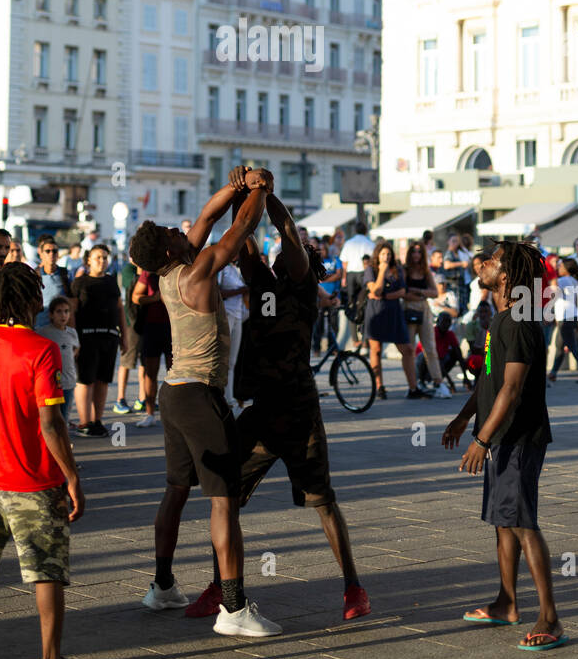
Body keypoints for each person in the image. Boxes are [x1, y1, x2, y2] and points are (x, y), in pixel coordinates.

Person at [186, 174, 370, 623]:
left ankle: (353, 588)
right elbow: (244, 238)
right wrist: (243, 192)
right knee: (225, 495)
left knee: (322, 499)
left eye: (296, 251)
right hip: (262, 408)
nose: (285, 252)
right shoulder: (264, 285)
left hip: (299, 409)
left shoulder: (302, 284)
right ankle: (221, 587)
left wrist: (265, 192)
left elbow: (285, 230)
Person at [130, 170, 282, 637]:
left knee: (177, 489)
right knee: (224, 501)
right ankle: (234, 609)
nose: (183, 229)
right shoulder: (196, 271)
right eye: (175, 233)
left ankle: (161, 587)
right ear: (173, 248)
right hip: (198, 395)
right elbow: (237, 233)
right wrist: (260, 191)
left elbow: (209, 214)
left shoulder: (170, 269)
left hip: (173, 394)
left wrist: (237, 184)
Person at [0, 262, 89, 659]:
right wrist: (72, 476)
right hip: (34, 484)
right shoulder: (42, 349)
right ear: (32, 301)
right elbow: (51, 424)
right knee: (46, 573)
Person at [443, 241, 565, 650]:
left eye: (491, 260)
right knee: (503, 520)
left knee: (522, 522)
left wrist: (480, 438)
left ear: (507, 276)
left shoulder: (520, 322)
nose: (483, 263)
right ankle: (506, 603)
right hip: (500, 435)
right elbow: (490, 380)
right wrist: (464, 417)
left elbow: (511, 390)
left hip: (518, 437)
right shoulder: (502, 319)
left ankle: (550, 616)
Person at [70, 245, 127, 437]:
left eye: (104, 257)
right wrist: (73, 340)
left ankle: (97, 420)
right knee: (86, 380)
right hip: (86, 337)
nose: (101, 261)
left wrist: (124, 337)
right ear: (88, 260)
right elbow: (73, 312)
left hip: (109, 337)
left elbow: (120, 310)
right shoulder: (80, 282)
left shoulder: (112, 282)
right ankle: (84, 422)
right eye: (97, 258)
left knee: (103, 380)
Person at [363, 242, 417, 400]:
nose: (386, 257)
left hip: (394, 313)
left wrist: (385, 296)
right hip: (376, 312)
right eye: (382, 254)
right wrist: (382, 271)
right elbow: (375, 290)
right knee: (376, 350)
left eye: (388, 254)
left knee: (407, 349)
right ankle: (379, 386)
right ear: (377, 256)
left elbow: (402, 291)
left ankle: (413, 387)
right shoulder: (370, 270)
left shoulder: (398, 269)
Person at [130, 269, 172, 428]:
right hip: (152, 327)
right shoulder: (148, 273)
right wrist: (153, 298)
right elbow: (135, 297)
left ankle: (175, 414)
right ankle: (149, 414)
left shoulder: (177, 269)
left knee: (174, 372)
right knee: (150, 372)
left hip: (173, 326)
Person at [402, 240, 439, 398]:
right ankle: (412, 385)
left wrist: (418, 290)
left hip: (423, 310)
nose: (416, 254)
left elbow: (435, 292)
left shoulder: (425, 270)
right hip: (409, 309)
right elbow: (403, 292)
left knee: (430, 347)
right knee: (409, 350)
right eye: (414, 251)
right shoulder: (405, 270)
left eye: (419, 251)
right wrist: (421, 293)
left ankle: (438, 381)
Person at [547, 258, 578, 385]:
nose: (559, 268)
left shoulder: (562, 280)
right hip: (572, 316)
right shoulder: (575, 281)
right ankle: (553, 373)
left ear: (566, 268)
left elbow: (553, 291)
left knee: (571, 347)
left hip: (565, 317)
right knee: (560, 346)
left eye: (561, 266)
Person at [36, 297, 80, 423]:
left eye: (66, 311)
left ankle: (64, 441)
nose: (63, 315)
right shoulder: (43, 333)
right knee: (50, 418)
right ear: (51, 314)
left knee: (64, 417)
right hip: (51, 384)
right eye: (59, 311)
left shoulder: (72, 332)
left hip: (69, 382)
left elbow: (76, 348)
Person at [114, 249, 142, 416]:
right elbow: (133, 287)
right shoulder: (128, 270)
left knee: (144, 363)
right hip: (131, 321)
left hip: (144, 321)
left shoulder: (148, 270)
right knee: (127, 361)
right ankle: (120, 399)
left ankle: (143, 398)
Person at [218, 255, 248, 408]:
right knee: (223, 359)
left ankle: (229, 398)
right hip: (226, 314)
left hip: (238, 315)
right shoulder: (222, 268)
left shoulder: (237, 269)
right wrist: (240, 291)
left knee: (232, 361)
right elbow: (217, 292)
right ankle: (222, 397)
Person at [34, 236, 73, 331]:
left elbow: (72, 304)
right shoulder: (34, 276)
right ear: (41, 255)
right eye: (48, 251)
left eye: (54, 251)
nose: (51, 254)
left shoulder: (66, 275)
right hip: (40, 329)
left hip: (60, 330)